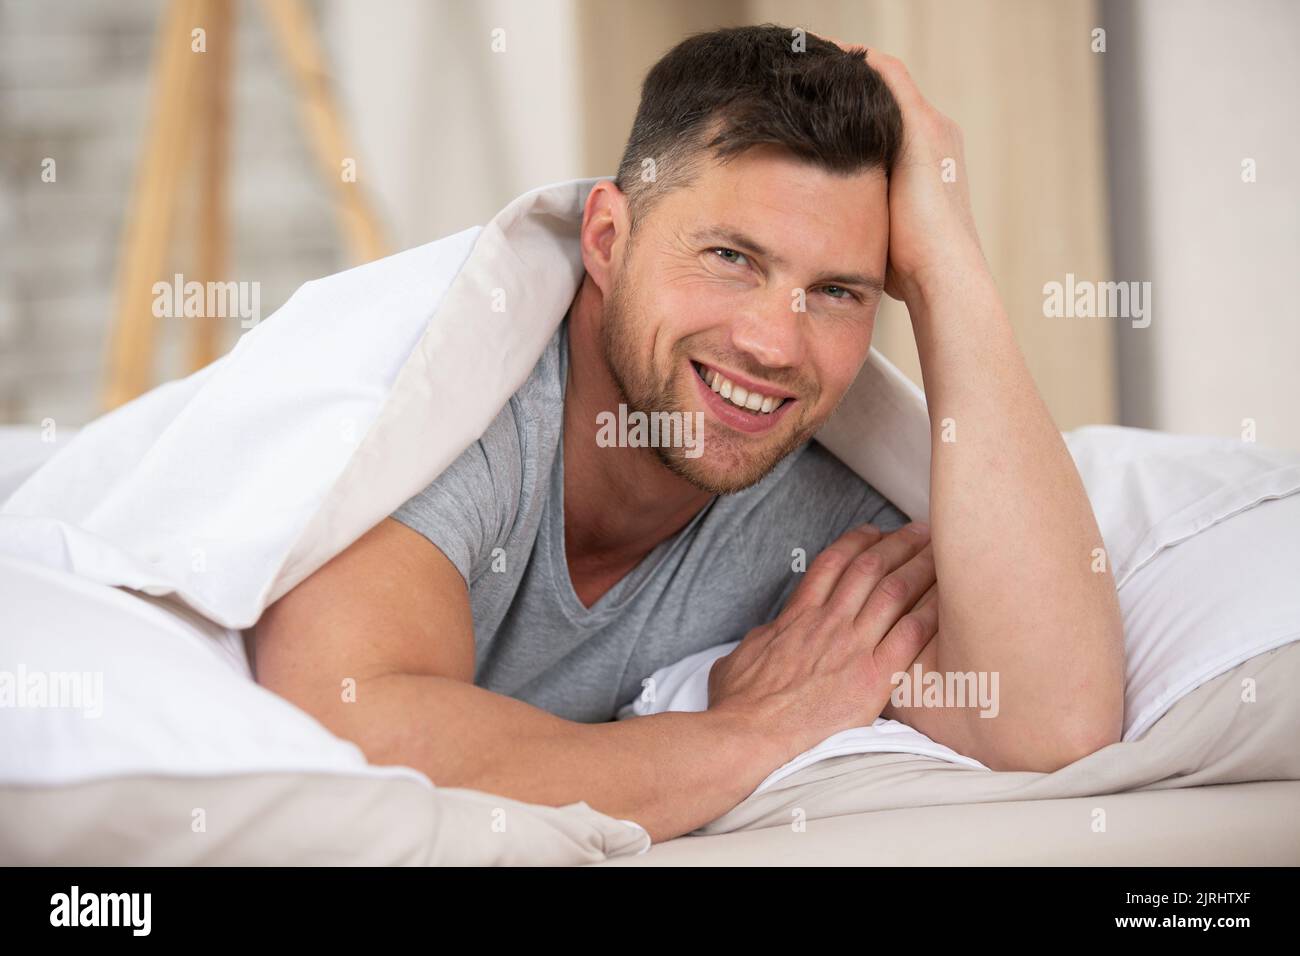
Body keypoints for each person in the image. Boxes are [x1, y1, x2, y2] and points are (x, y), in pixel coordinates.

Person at [249, 25, 1124, 844]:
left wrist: (947, 269)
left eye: (837, 292)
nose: (773, 345)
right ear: (605, 240)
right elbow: (352, 743)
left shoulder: (827, 509)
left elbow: (1052, 723)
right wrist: (746, 731)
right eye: (730, 258)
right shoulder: (460, 417)